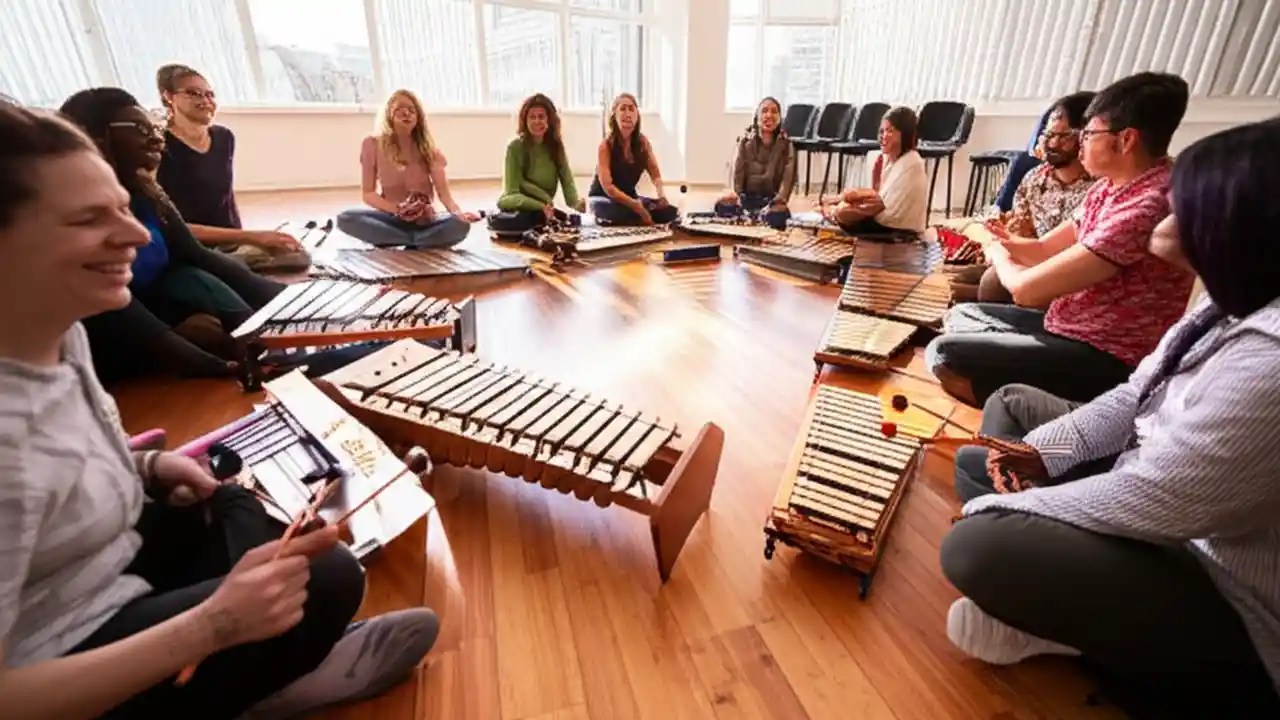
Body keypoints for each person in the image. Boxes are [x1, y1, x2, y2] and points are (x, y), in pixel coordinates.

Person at [0, 101, 439, 720]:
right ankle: (263, 686)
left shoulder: (59, 331)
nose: (135, 234)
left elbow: (62, 470)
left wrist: (148, 468)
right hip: (56, 656)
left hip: (108, 560)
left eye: (124, 209)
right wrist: (210, 627)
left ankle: (258, 663)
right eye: (88, 219)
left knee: (277, 533)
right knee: (324, 584)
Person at [939, 118, 1280, 719]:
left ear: (1239, 224)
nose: (1168, 219)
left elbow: (1164, 498)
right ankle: (1069, 605)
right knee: (984, 463)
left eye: (1187, 205)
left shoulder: (1272, 361)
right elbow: (1134, 396)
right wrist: (1044, 453)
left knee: (975, 543)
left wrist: (1007, 510)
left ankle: (1081, 630)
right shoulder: (1226, 306)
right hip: (1155, 503)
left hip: (1225, 590)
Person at [925, 72, 1196, 408]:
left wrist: (995, 250)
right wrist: (1000, 237)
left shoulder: (1148, 204)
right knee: (961, 316)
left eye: (1089, 134)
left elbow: (1025, 291)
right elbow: (1042, 249)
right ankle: (1016, 378)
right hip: (1068, 325)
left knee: (944, 351)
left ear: (1125, 140)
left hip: (1107, 356)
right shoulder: (1109, 186)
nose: (1081, 143)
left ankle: (1045, 404)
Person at [58, 87, 285, 382]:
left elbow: (197, 255)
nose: (156, 137)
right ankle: (235, 353)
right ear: (95, 139)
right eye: (141, 129)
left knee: (194, 275)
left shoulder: (146, 191)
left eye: (153, 126)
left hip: (154, 304)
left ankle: (264, 339)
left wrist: (292, 301)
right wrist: (214, 367)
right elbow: (116, 309)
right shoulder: (68, 212)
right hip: (108, 332)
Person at [155, 64, 309, 272]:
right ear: (168, 97)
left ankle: (234, 266)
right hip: (192, 246)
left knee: (296, 255)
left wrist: (249, 239)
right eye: (194, 93)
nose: (206, 101)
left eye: (210, 95)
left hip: (232, 243)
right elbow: (170, 226)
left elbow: (225, 197)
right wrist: (252, 237)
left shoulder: (223, 137)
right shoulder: (158, 147)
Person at [975, 91, 1096, 303]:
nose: (1053, 144)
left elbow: (1060, 253)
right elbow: (1022, 233)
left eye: (1064, 136)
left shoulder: (1100, 187)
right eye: (1049, 135)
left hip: (1072, 275)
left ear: (1086, 137)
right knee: (961, 279)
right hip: (1032, 260)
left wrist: (1002, 253)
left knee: (991, 283)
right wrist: (997, 239)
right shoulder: (1034, 178)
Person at [336, 89, 480, 248]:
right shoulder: (371, 144)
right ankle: (414, 241)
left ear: (418, 118)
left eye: (412, 110)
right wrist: (397, 210)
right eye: (400, 109)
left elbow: (445, 196)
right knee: (346, 217)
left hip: (425, 222)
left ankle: (404, 240)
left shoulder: (429, 151)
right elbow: (368, 194)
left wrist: (458, 214)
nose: (407, 114)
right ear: (388, 115)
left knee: (459, 225)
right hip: (392, 219)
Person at [818, 106, 928, 235]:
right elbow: (878, 198)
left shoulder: (911, 163)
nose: (883, 137)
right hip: (884, 219)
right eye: (881, 132)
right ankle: (832, 211)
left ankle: (831, 213)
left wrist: (844, 209)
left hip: (897, 229)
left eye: (890, 131)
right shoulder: (889, 159)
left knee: (843, 212)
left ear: (905, 135)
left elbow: (885, 211)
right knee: (845, 206)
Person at [488, 93, 584, 238]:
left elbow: (567, 180)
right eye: (532, 117)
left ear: (549, 120)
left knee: (565, 221)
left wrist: (577, 204)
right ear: (525, 120)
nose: (537, 121)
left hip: (545, 208)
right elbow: (510, 194)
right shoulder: (515, 147)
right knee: (522, 216)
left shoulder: (556, 146)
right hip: (520, 204)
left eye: (541, 117)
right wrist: (541, 204)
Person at [587, 92, 678, 226]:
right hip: (605, 199)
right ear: (615, 115)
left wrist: (661, 196)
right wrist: (637, 206)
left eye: (631, 108)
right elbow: (609, 188)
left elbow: (655, 173)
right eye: (622, 109)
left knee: (670, 212)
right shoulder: (605, 145)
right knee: (614, 210)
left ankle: (634, 217)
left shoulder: (643, 143)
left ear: (637, 115)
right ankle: (634, 217)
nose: (627, 113)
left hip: (631, 198)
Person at [714, 96, 795, 230]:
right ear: (757, 117)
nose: (769, 115)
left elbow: (788, 178)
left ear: (780, 118)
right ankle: (750, 218)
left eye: (774, 111)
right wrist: (735, 196)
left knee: (779, 216)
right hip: (745, 199)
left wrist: (780, 200)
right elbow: (736, 173)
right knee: (724, 206)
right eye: (764, 111)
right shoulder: (745, 142)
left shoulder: (787, 145)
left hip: (771, 201)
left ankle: (755, 219)